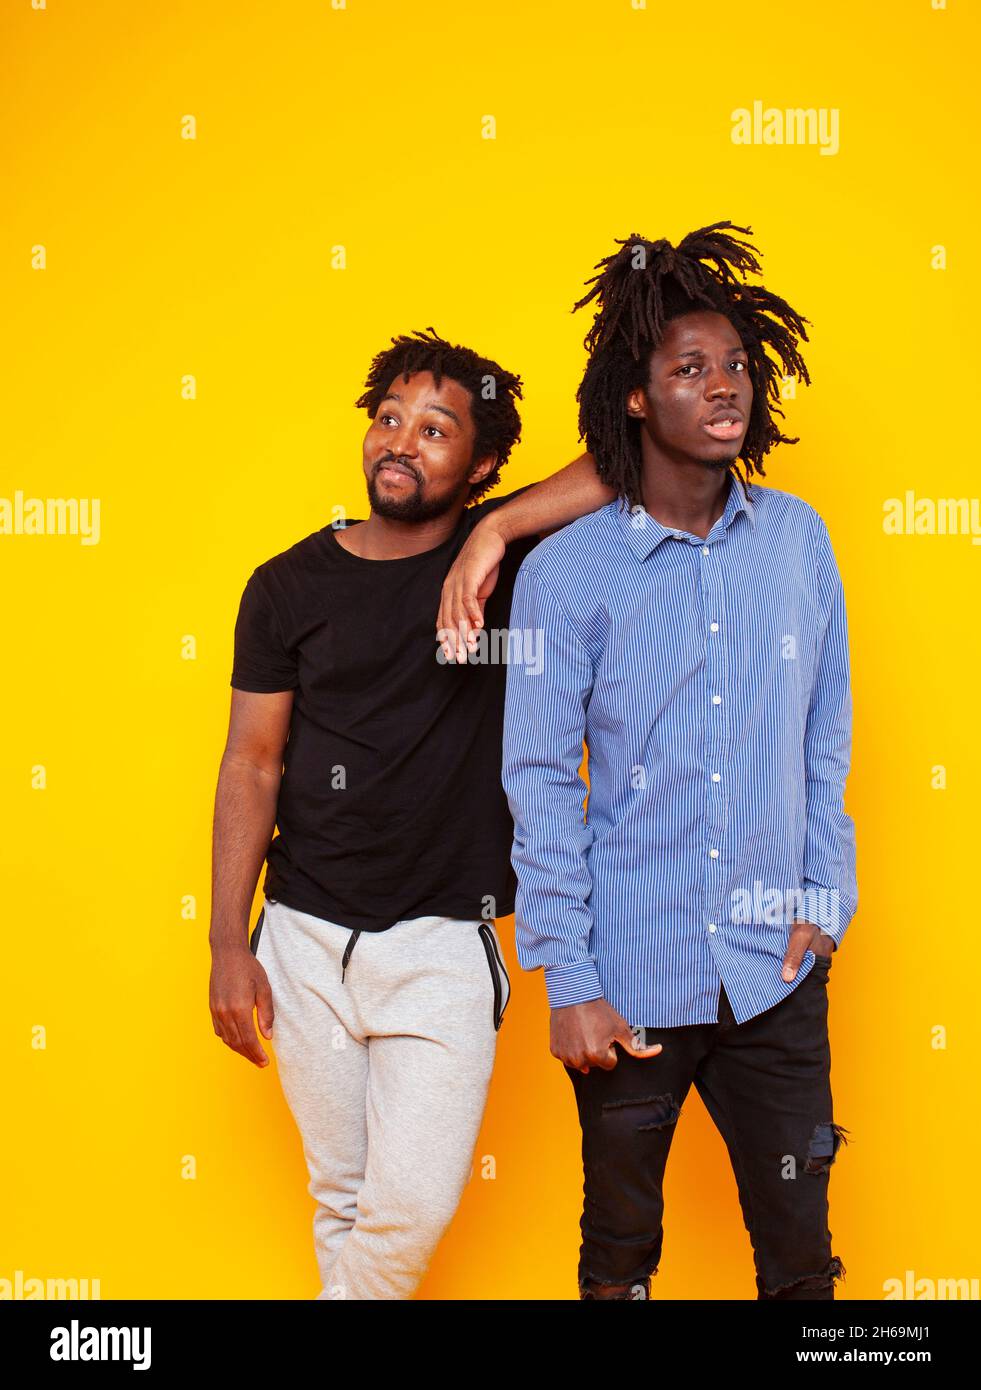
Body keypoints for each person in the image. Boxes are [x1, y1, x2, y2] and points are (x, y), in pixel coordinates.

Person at [208, 327, 616, 1300]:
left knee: (408, 1209)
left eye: (436, 429)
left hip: (442, 943)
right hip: (302, 937)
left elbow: (632, 451)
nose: (400, 440)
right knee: (342, 1199)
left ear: (479, 465)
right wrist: (228, 940)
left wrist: (493, 532)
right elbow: (251, 763)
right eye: (390, 418)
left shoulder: (513, 571)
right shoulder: (286, 586)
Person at [500, 224, 858, 1300]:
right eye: (689, 370)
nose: (724, 388)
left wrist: (824, 895)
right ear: (638, 400)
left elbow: (824, 733)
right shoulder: (565, 574)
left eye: (737, 366)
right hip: (629, 983)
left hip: (774, 973)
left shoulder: (797, 541)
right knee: (619, 1255)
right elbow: (539, 781)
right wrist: (570, 976)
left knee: (802, 1257)